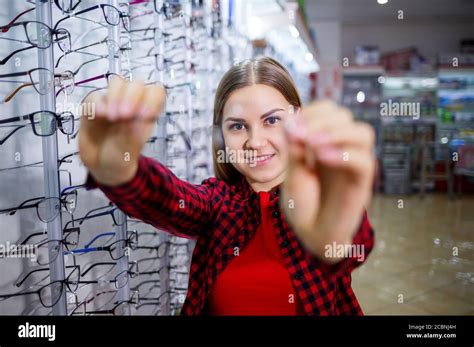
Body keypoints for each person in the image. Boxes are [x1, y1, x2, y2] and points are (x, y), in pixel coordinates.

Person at [79, 56, 376, 315]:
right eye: (237, 126)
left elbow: (355, 247)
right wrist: (122, 169)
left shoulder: (319, 201)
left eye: (271, 120)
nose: (255, 142)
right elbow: (169, 199)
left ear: (297, 117)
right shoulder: (218, 204)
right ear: (221, 134)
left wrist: (337, 233)